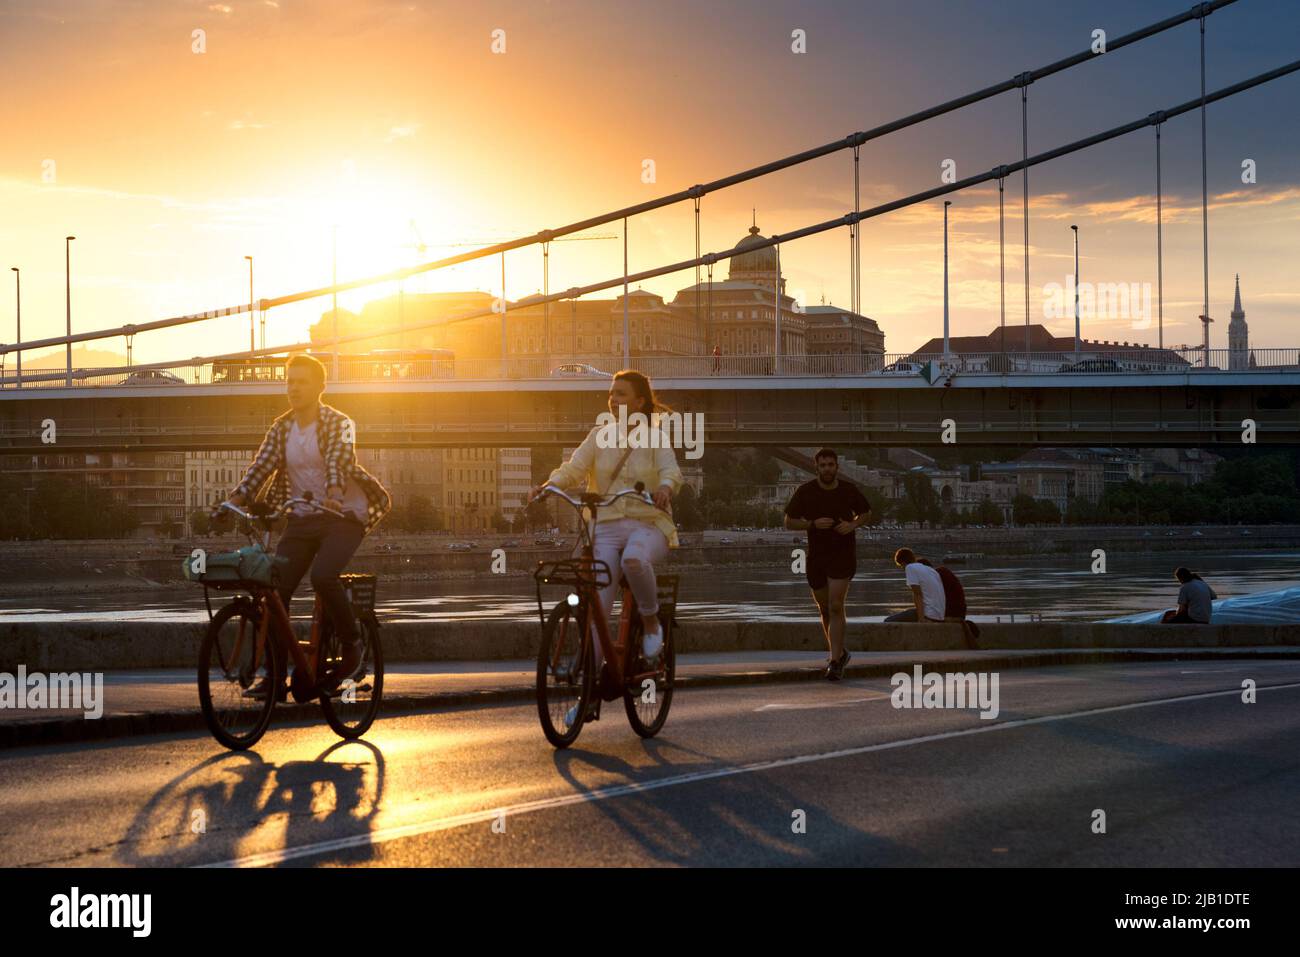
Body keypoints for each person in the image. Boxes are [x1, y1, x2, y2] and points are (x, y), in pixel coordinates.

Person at [224, 353, 391, 699]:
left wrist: (333, 494)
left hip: (342, 517)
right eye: (290, 381)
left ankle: (353, 645)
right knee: (274, 593)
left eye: (302, 382)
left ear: (320, 387)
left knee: (323, 577)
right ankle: (274, 678)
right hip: (301, 518)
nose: (294, 388)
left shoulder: (339, 422)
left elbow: (338, 460)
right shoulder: (282, 427)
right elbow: (262, 466)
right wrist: (233, 500)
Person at [534, 370, 682, 721]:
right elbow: (573, 469)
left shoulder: (654, 437)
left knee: (634, 560)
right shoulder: (599, 436)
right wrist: (547, 486)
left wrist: (664, 489)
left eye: (622, 394)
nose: (614, 399)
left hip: (648, 524)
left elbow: (671, 472)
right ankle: (588, 697)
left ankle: (650, 624)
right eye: (611, 394)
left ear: (640, 401)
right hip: (605, 526)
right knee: (597, 607)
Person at [783, 448, 873, 680]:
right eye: (823, 465)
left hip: (842, 554)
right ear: (817, 468)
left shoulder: (848, 490)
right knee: (824, 608)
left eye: (830, 465)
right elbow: (788, 522)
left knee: (835, 605)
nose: (827, 469)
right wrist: (812, 524)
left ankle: (834, 662)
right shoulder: (806, 492)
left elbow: (866, 513)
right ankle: (840, 652)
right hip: (817, 556)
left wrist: (852, 525)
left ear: (836, 467)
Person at [885, 547, 945, 622]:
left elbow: (918, 594)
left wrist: (921, 619)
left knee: (888, 621)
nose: (903, 568)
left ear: (903, 563)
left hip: (929, 614)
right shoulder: (931, 570)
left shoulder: (910, 567)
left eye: (901, 566)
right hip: (939, 616)